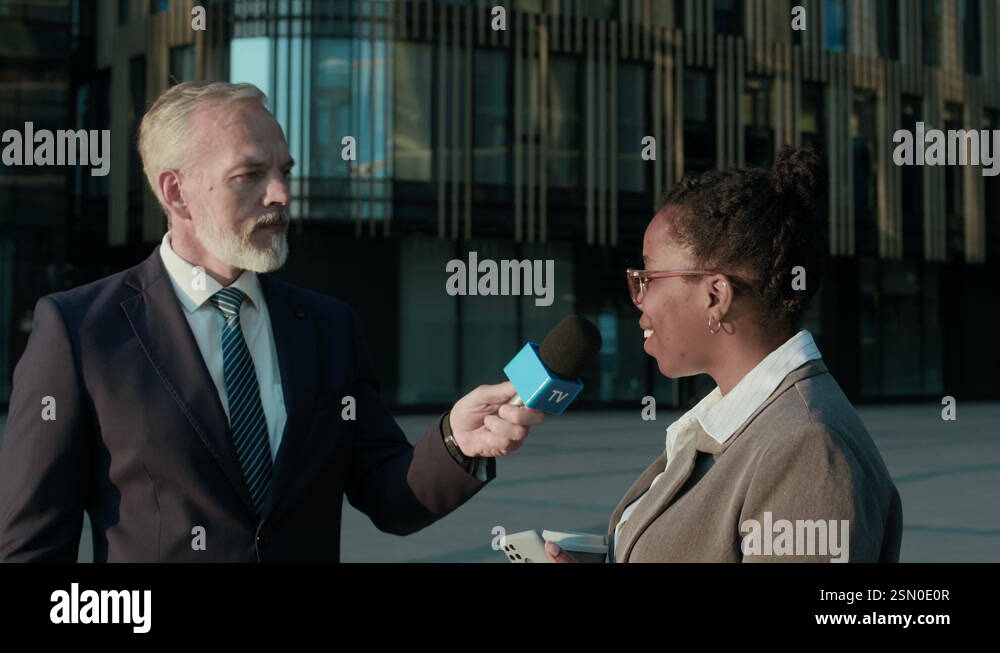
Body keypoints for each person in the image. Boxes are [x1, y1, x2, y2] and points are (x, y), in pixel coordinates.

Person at [0, 81, 543, 562]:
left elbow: (389, 497)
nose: (280, 194)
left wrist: (456, 443)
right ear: (175, 191)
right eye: (250, 174)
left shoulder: (328, 327)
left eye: (284, 171)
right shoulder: (81, 332)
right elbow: (33, 547)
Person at [546, 144, 902, 563]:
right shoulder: (734, 423)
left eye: (648, 276)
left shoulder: (806, 448)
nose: (639, 300)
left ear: (716, 295)